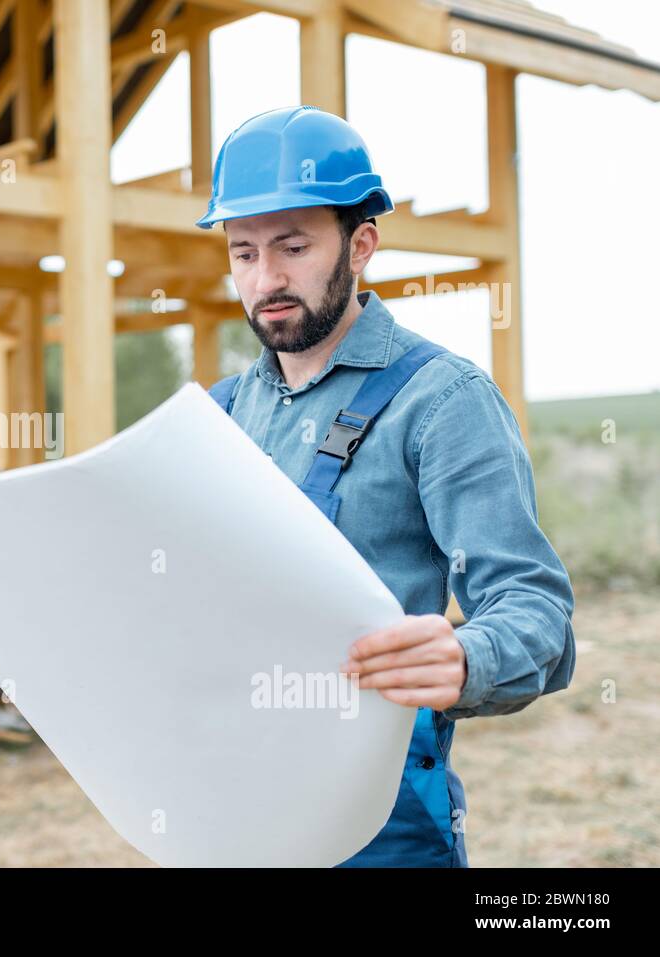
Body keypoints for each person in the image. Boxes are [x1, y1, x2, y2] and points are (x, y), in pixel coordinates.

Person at [196, 105, 575, 866]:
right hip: (235, 800)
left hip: (380, 823)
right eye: (243, 253)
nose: (265, 278)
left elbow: (540, 613)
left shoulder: (442, 400)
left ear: (361, 243)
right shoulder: (218, 415)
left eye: (293, 246)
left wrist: (469, 656)